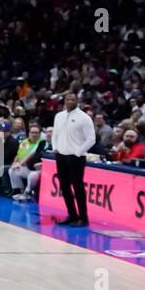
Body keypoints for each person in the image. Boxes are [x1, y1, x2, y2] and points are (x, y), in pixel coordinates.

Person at [50, 93, 96, 226]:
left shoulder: (84, 118)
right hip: (61, 156)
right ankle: (72, 215)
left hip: (76, 157)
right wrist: (55, 148)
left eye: (73, 99)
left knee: (78, 187)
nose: (70, 101)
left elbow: (91, 139)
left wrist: (79, 152)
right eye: (68, 99)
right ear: (64, 101)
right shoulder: (59, 116)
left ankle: (83, 218)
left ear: (77, 101)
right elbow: (55, 134)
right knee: (64, 187)